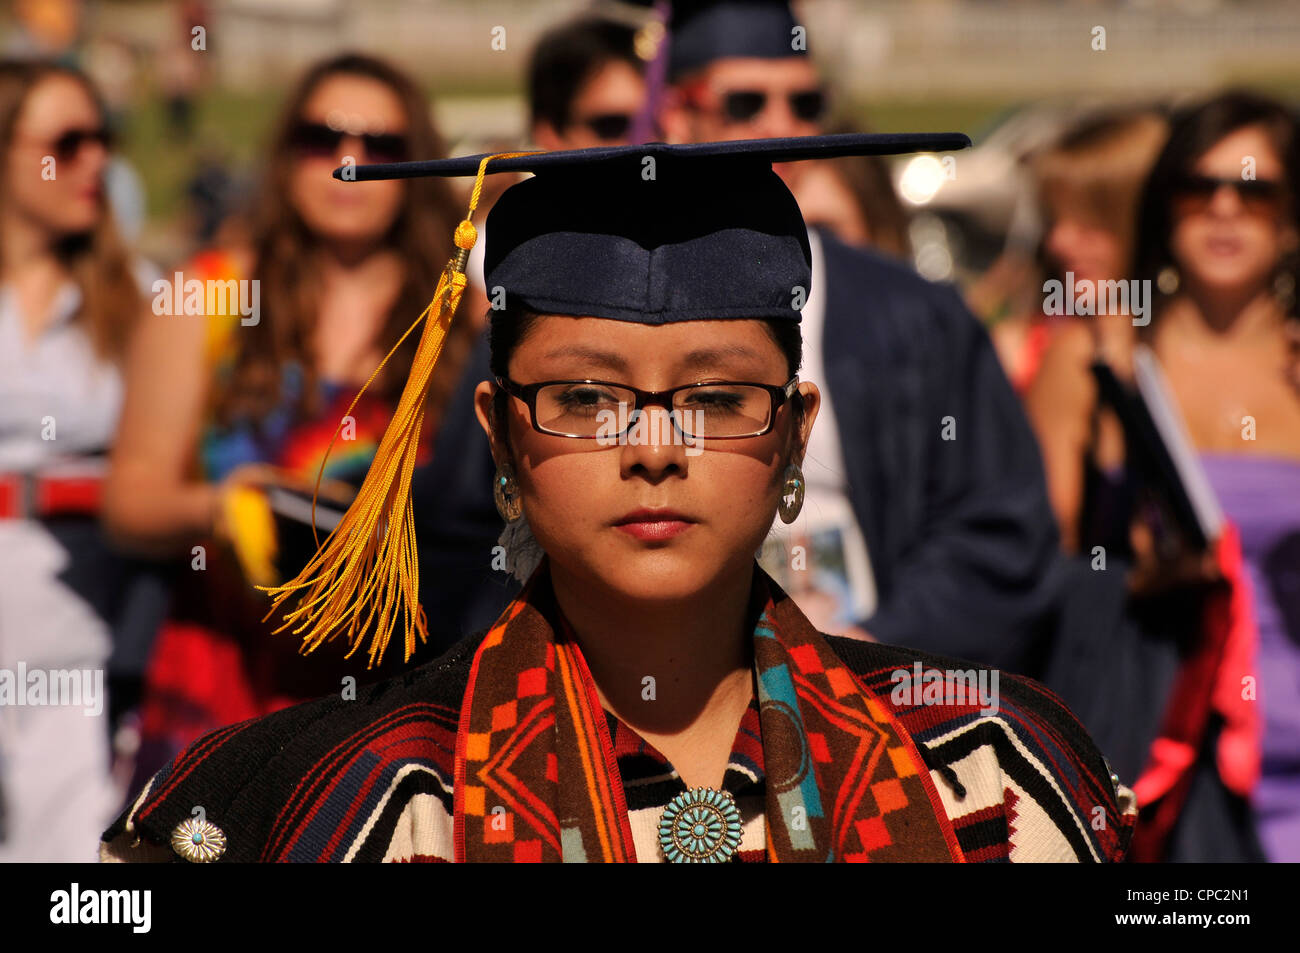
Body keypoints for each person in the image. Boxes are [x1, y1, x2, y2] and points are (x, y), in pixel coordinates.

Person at [100, 134, 1135, 864]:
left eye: (718, 397)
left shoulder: (988, 765)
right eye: (585, 398)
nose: (654, 448)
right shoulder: (335, 793)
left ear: (794, 434)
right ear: (499, 431)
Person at [101, 52, 476, 793]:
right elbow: (128, 502)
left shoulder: (463, 316)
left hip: (391, 696)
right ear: (284, 154)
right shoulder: (207, 294)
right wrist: (225, 504)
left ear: (418, 165)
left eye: (383, 147)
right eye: (321, 137)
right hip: (220, 677)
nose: (349, 162)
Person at [653, 0, 1060, 666]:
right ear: (675, 113)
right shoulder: (592, 301)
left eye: (807, 104)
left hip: (871, 694)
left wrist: (875, 647)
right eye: (747, 102)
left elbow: (998, 526)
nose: (785, 128)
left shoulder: (911, 313)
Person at [1039, 90, 1300, 863]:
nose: (1224, 209)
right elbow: (1029, 564)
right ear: (1164, 205)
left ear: (1291, 218)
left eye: (1254, 191)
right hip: (1157, 741)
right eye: (1198, 187)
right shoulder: (1091, 357)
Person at [0, 59, 156, 861]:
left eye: (105, 138)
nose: (98, 160)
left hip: (76, 658)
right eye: (69, 141)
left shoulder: (141, 299)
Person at [1023, 109, 1169, 551]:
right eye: (1054, 220)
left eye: (1091, 222)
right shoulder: (1072, 356)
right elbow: (1050, 541)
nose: (1059, 242)